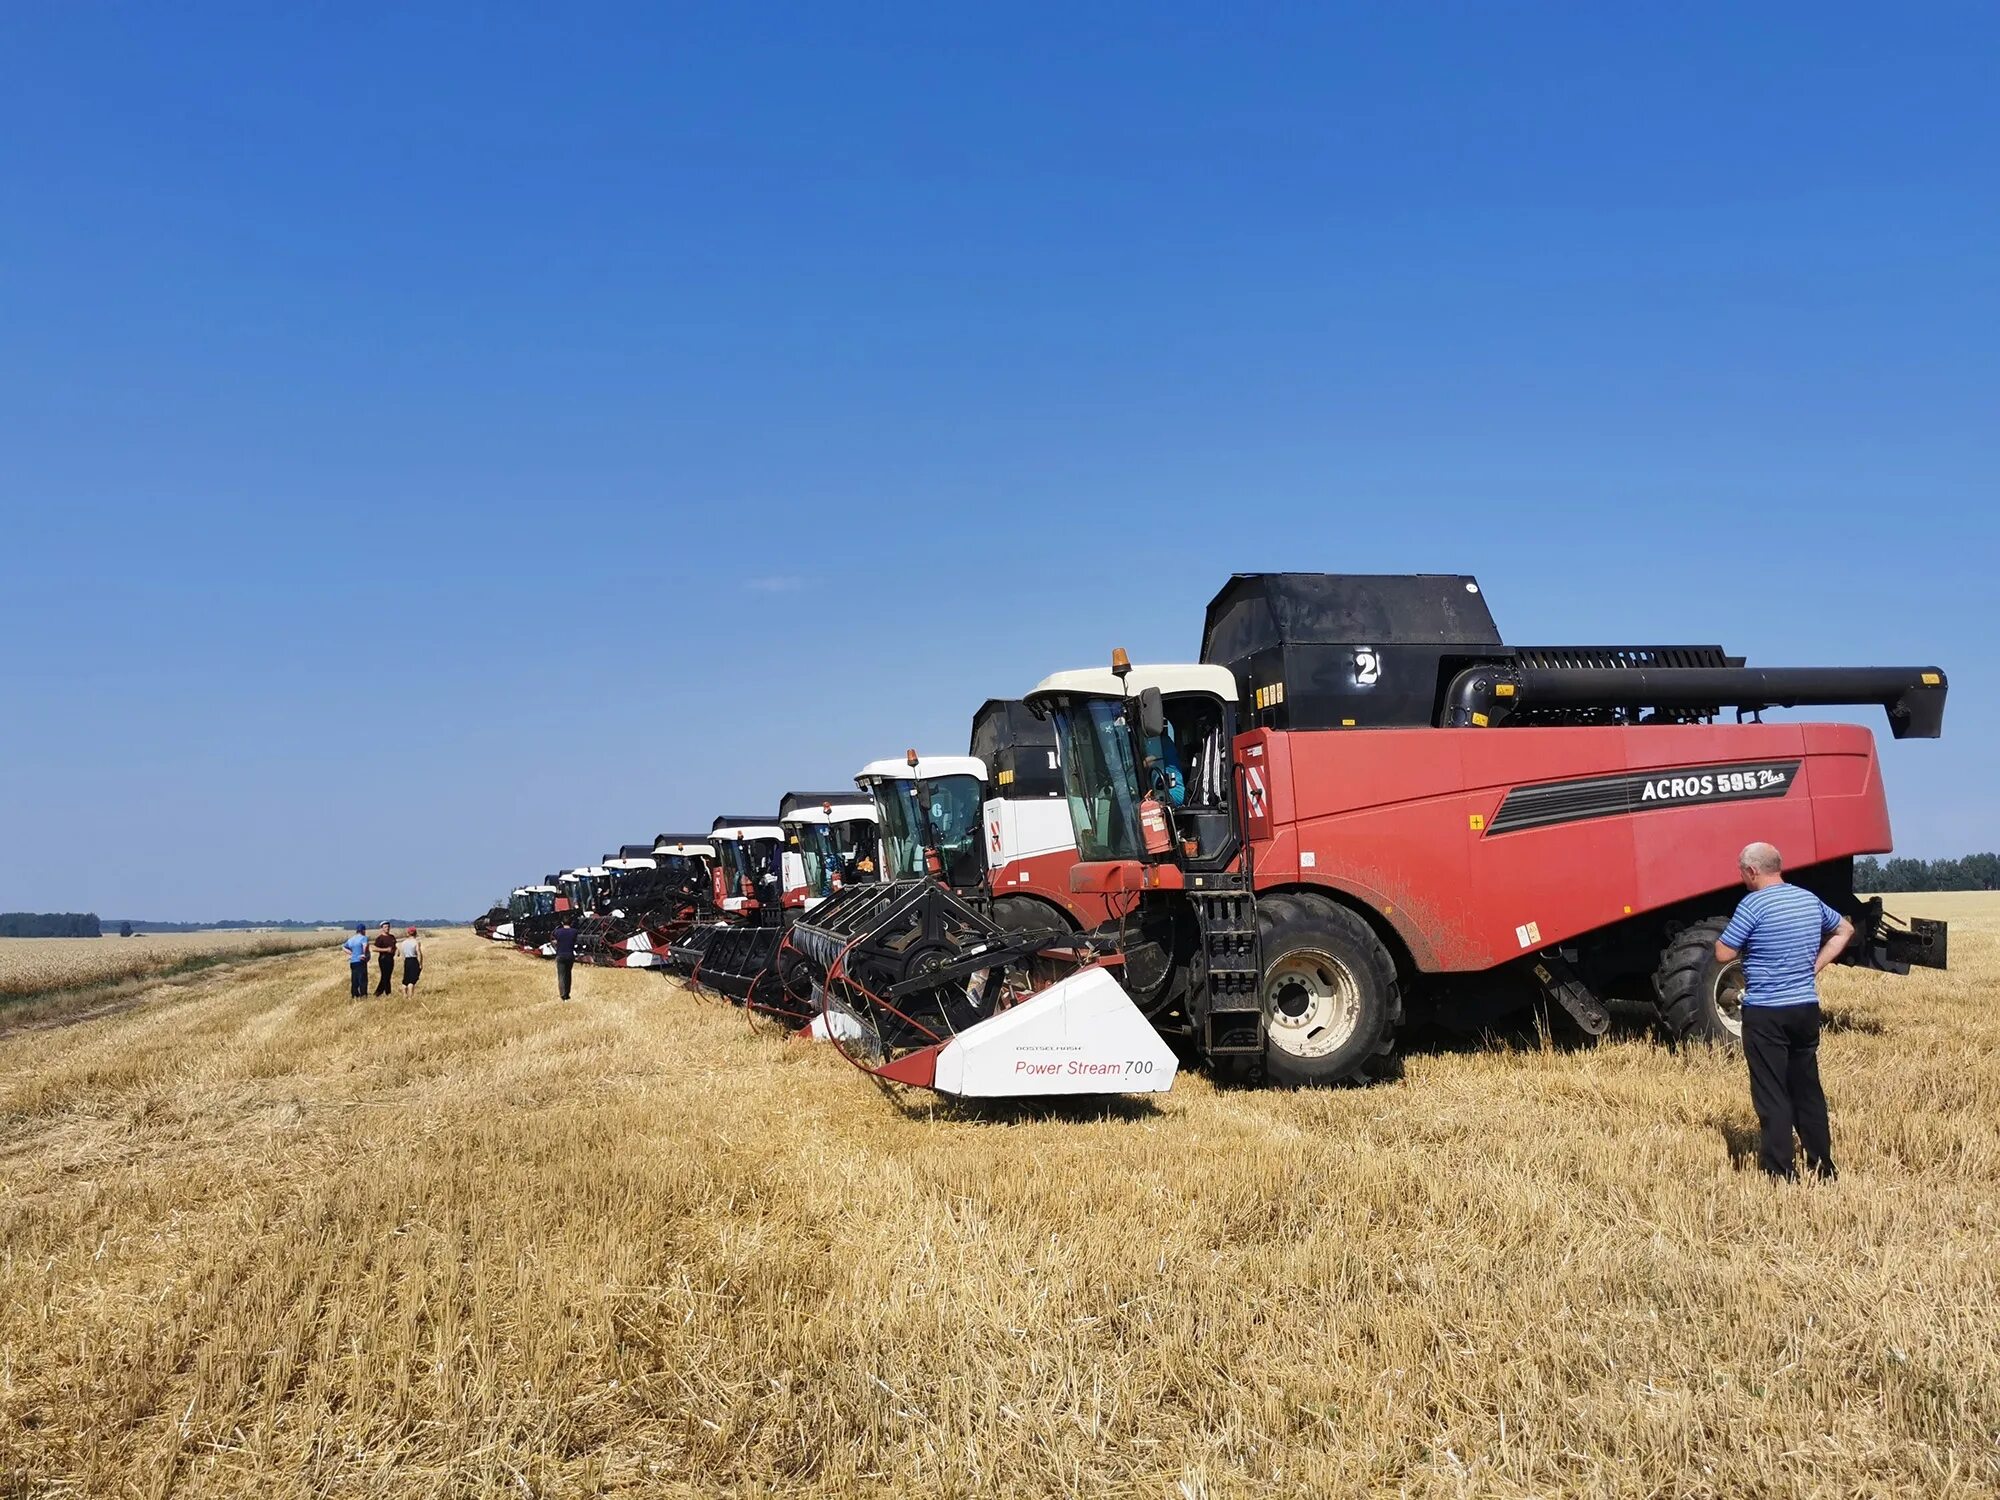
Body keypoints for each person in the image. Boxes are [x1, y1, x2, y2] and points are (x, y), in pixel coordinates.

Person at [1715, 841, 1854, 1181]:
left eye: (1742, 872)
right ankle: (1822, 1166)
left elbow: (1722, 953)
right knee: (1807, 1087)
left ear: (1752, 871)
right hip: (1805, 1008)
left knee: (1772, 1091)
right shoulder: (1808, 899)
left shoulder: (1753, 904)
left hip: (1766, 1012)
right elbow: (1844, 930)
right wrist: (1813, 967)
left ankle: (1780, 1171)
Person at [552, 915, 577, 1001]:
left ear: (562, 923)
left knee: (561, 975)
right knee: (568, 974)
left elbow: (554, 940)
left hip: (560, 955)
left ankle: (562, 994)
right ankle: (567, 993)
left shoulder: (557, 932)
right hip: (570, 955)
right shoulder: (574, 931)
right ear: (571, 923)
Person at [342, 924, 369, 997]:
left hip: (353, 961)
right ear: (363, 930)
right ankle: (363, 995)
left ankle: (354, 994)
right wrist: (363, 954)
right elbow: (365, 945)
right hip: (361, 961)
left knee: (354, 978)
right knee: (362, 979)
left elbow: (343, 947)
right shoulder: (364, 938)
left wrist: (351, 953)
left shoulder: (351, 939)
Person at [371, 921, 397, 996]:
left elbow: (394, 946)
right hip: (383, 958)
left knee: (388, 975)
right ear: (382, 928)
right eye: (385, 927)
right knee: (385, 975)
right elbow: (374, 949)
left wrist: (397, 950)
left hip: (391, 958)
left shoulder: (392, 937)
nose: (387, 928)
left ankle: (380, 992)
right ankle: (386, 992)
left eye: (388, 927)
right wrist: (385, 950)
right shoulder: (380, 938)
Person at [399, 927, 423, 995]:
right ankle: (410, 997)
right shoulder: (416, 942)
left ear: (408, 933)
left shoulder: (403, 942)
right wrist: (420, 964)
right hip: (413, 960)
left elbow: (403, 954)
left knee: (405, 979)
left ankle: (404, 995)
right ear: (415, 933)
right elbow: (418, 953)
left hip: (407, 960)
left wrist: (405, 961)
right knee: (412, 980)